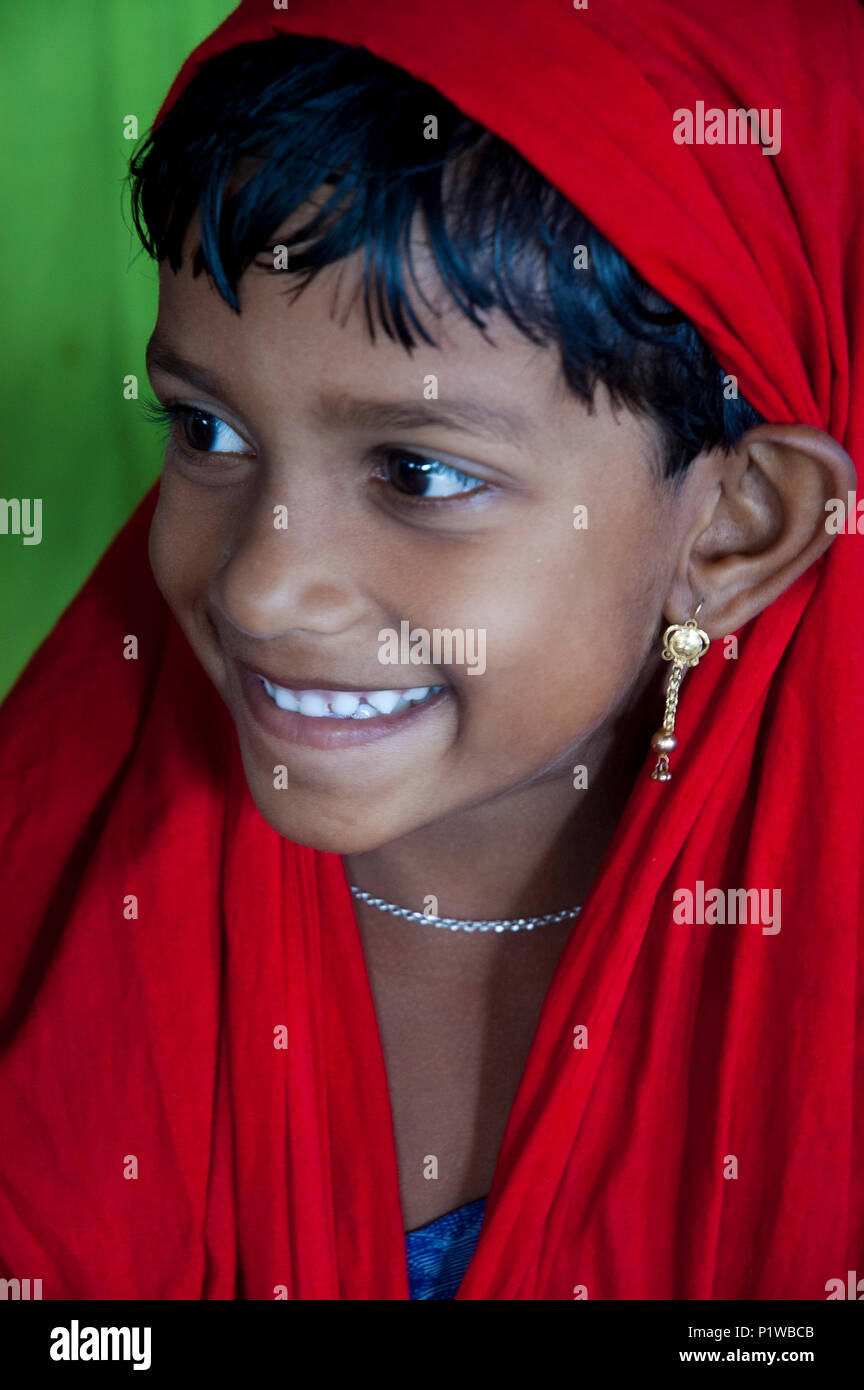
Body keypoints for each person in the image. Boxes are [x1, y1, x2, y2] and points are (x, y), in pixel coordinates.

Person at [0, 0, 862, 1301]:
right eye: (209, 432)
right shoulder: (59, 892)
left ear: (736, 531)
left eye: (418, 470)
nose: (263, 583)